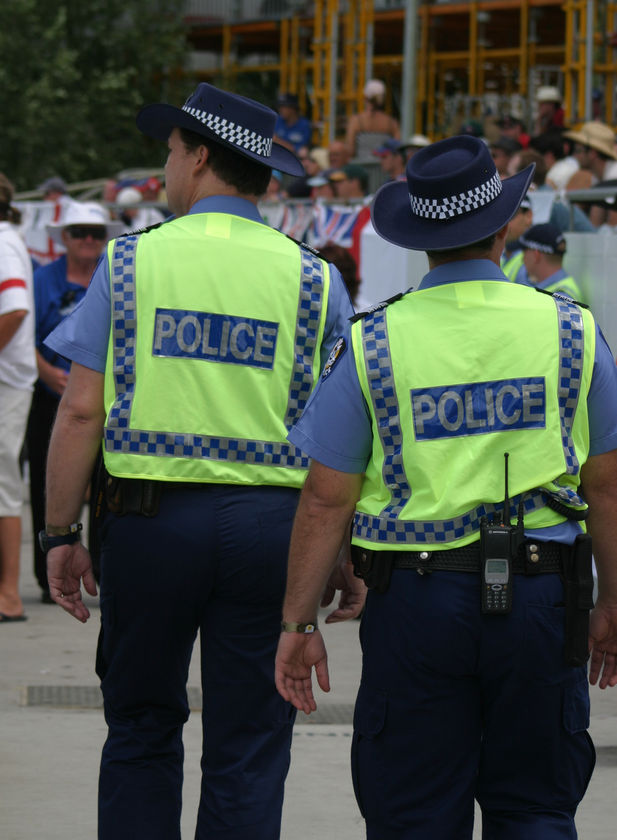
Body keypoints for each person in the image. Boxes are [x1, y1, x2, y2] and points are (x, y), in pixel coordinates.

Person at [41, 81, 361, 840]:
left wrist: (60, 533)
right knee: (250, 743)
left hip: (149, 528)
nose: (165, 168)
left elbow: (81, 410)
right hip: (271, 535)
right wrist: (339, 552)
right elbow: (345, 441)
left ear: (201, 157)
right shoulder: (316, 279)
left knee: (141, 727)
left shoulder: (130, 263)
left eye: (170, 151)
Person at [275, 134, 617, 838]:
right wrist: (612, 599)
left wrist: (298, 623)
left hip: (415, 606)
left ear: (419, 241)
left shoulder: (373, 341)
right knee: (536, 808)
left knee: (414, 813)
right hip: (542, 600)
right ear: (504, 228)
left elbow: (326, 497)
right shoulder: (572, 331)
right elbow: (607, 486)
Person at [26, 201, 123, 604]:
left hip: (105, 398)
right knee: (47, 482)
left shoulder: (115, 275)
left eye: (95, 233)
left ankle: (101, 570)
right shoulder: (42, 279)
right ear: (64, 237)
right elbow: (25, 335)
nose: (87, 239)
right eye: (79, 232)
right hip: (50, 393)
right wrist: (48, 373)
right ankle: (49, 569)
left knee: (107, 486)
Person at [0, 173, 36, 622]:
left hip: (6, 381)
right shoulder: (8, 239)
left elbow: (15, 309)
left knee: (4, 487)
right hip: (9, 377)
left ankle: (9, 594)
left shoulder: (3, 244)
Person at [519, 222, 584, 300]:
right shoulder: (558, 290)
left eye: (524, 253)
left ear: (536, 255)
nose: (522, 259)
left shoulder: (561, 297)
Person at [345, 79, 400, 160]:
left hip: (361, 165)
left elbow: (350, 150)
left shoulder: (356, 121)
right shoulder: (391, 122)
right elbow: (397, 148)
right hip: (383, 166)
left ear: (365, 97)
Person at [501, 194, 532, 283]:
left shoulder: (533, 258)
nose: (504, 222)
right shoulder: (501, 254)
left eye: (511, 215)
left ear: (528, 216)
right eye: (501, 216)